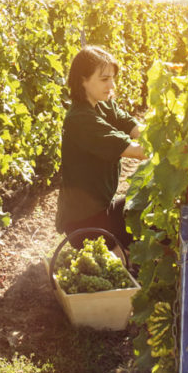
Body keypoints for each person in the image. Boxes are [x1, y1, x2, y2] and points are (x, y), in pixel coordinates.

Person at [56, 46, 147, 249]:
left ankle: (124, 251)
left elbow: (133, 127)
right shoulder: (79, 119)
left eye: (113, 78)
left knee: (147, 205)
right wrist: (177, 150)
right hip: (85, 223)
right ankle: (118, 252)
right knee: (122, 268)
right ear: (83, 80)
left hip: (103, 209)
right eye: (104, 79)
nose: (111, 85)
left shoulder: (104, 105)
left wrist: (164, 135)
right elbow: (136, 151)